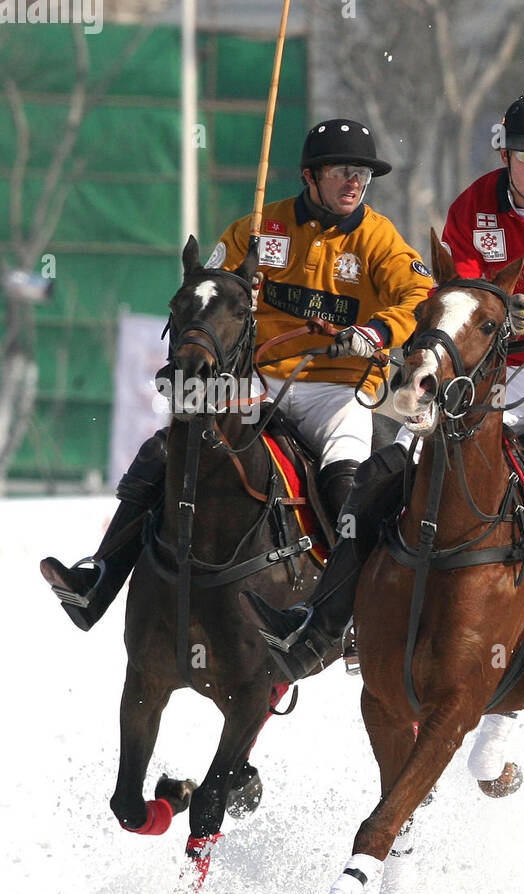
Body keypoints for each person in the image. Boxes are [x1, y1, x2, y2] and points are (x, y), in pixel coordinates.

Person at [247, 94, 524, 733]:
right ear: (505, 152)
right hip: (493, 376)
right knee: (385, 462)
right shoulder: (474, 207)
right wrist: (496, 306)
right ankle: (327, 626)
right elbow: (458, 289)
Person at [41, 118, 434, 635]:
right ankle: (99, 579)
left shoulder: (377, 237)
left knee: (347, 484)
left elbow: (420, 295)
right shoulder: (259, 227)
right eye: (342, 171)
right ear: (309, 177)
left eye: (362, 173)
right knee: (166, 451)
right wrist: (232, 296)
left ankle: (356, 615)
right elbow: (211, 288)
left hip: (339, 387)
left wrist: (376, 334)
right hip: (259, 380)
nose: (354, 182)